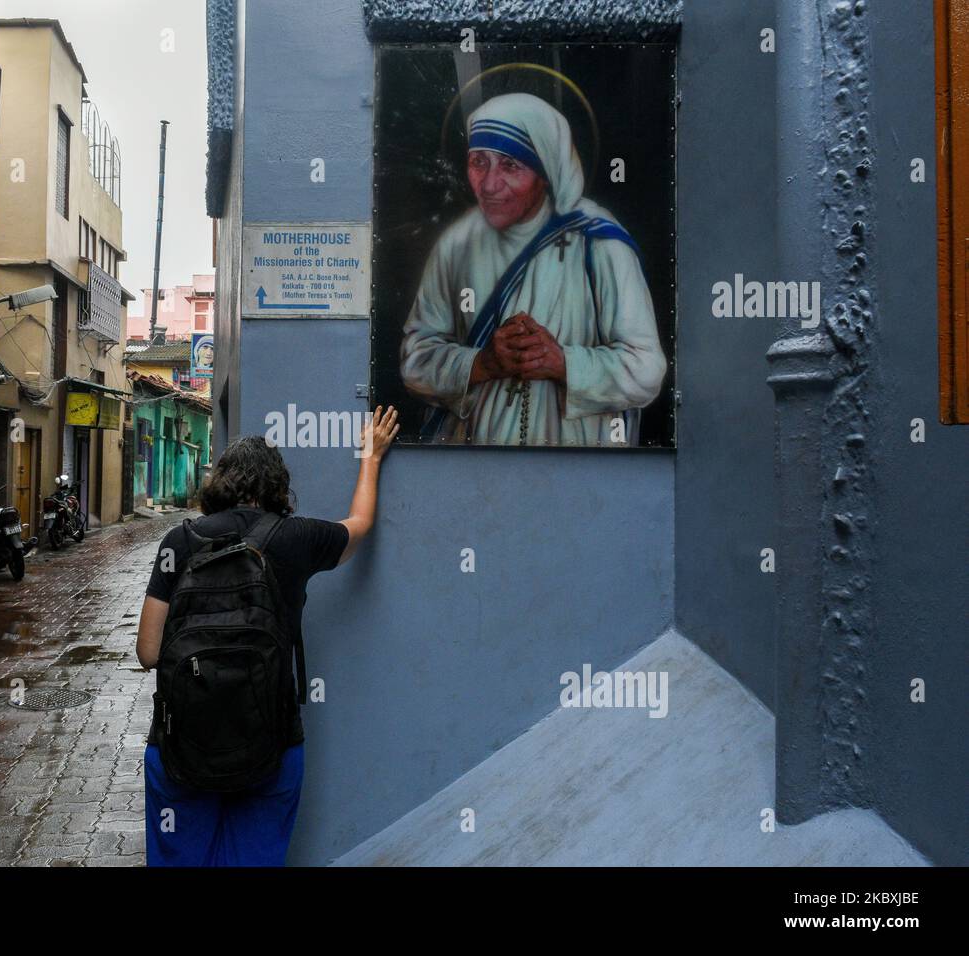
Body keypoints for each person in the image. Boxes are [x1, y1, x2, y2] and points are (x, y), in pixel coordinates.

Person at [136, 405, 399, 866]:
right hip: (269, 747)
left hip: (181, 747)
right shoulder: (295, 539)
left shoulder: (178, 542)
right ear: (275, 486)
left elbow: (148, 650)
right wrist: (371, 457)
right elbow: (359, 526)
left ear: (219, 482)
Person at [399, 92, 667, 446]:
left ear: (546, 171)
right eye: (479, 161)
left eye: (510, 165)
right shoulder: (457, 245)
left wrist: (563, 363)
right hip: (477, 467)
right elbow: (416, 360)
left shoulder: (598, 241)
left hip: (579, 473)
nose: (489, 184)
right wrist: (482, 363)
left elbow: (647, 370)